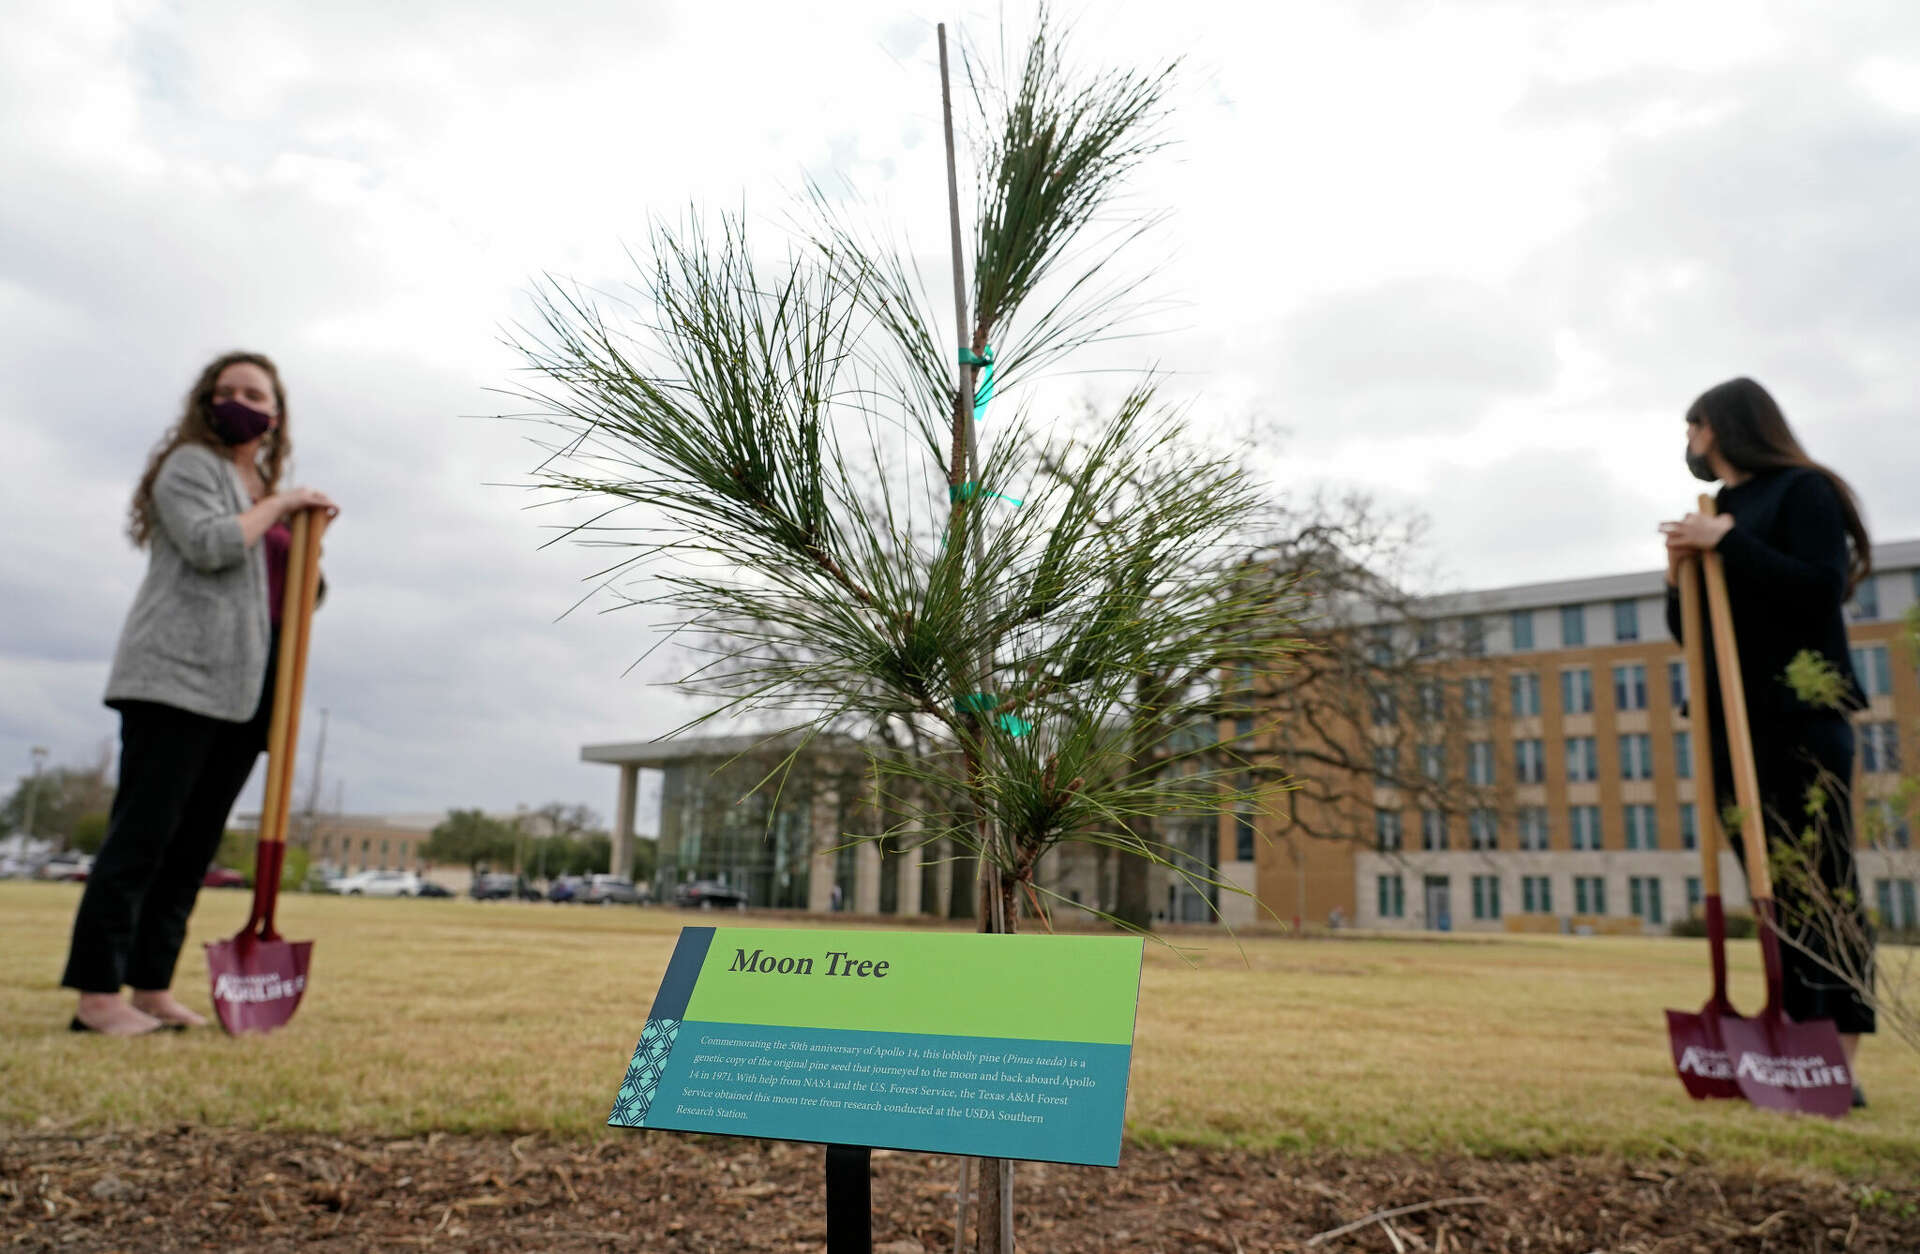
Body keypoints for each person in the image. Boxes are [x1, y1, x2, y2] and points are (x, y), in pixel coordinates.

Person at [61, 352, 337, 1035]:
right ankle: (97, 996)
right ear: (205, 402)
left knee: (191, 849)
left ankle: (151, 985)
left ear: (275, 415)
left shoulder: (265, 485)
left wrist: (309, 539)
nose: (240, 401)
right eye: (228, 391)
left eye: (255, 393)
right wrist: (280, 505)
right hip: (175, 678)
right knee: (143, 838)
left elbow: (304, 596)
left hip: (246, 689)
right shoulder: (191, 467)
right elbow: (212, 545)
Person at [1659, 376, 1874, 1105]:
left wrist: (1731, 542)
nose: (1688, 441)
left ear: (1722, 426)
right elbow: (1693, 633)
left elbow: (1819, 588)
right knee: (1768, 883)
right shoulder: (1719, 510)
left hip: (1801, 715)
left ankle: (1835, 1055)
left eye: (1694, 426)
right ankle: (1784, 1034)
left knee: (1819, 880)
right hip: (1730, 718)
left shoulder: (1801, 492)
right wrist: (1679, 574)